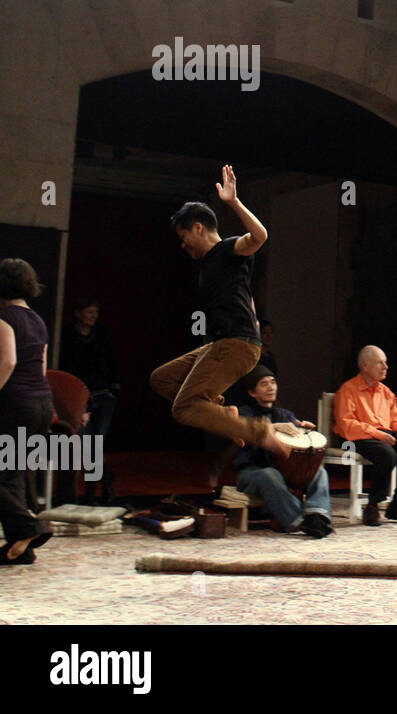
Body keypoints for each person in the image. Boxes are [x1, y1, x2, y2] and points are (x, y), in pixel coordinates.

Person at [148, 166, 285, 462]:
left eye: (183, 236)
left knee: (183, 408)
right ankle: (223, 413)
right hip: (219, 344)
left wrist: (232, 202)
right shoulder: (208, 265)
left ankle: (260, 432)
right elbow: (245, 298)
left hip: (236, 344)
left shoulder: (228, 250)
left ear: (198, 227)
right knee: (161, 379)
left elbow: (260, 235)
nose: (182, 245)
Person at [234, 366, 333, 538]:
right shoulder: (244, 413)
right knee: (270, 474)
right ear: (252, 392)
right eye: (264, 384)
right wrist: (274, 427)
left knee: (318, 471)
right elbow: (249, 431)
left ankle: (317, 515)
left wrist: (303, 432)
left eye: (273, 383)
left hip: (284, 472)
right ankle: (300, 522)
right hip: (252, 473)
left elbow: (295, 439)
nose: (271, 387)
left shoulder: (285, 415)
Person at [0, 259, 55, 566]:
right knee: (13, 474)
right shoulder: (36, 319)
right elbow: (42, 367)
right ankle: (22, 547)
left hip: (15, 404)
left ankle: (29, 526)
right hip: (41, 403)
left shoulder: (4, 318)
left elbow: (7, 362)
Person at [333, 345, 397, 526]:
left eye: (385, 363)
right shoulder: (348, 389)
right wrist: (377, 434)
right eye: (380, 363)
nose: (385, 367)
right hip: (355, 438)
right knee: (386, 453)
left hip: (383, 436)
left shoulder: (386, 392)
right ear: (365, 366)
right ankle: (373, 506)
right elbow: (346, 424)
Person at [59, 295, 120, 503]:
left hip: (103, 396)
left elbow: (112, 361)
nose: (94, 316)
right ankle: (103, 483)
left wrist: (114, 388)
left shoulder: (102, 334)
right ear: (78, 313)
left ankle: (92, 492)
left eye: (96, 312)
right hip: (79, 397)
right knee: (86, 444)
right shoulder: (67, 336)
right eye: (90, 312)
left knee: (96, 445)